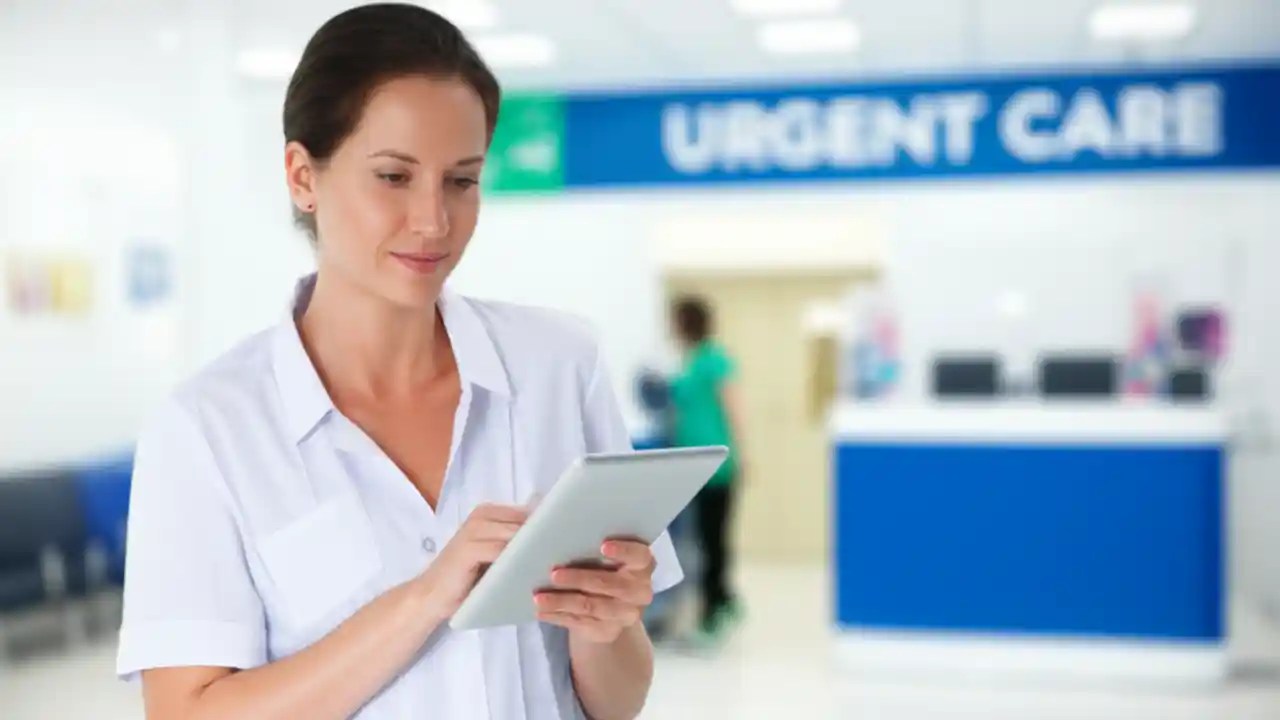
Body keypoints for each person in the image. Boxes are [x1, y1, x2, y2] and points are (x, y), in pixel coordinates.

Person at [115, 5, 681, 719]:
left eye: (461, 181)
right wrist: (424, 597)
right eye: (393, 177)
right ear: (302, 177)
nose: (433, 221)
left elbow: (620, 701)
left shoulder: (561, 367)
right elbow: (186, 712)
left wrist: (606, 626)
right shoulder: (207, 428)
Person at [669, 297, 746, 643]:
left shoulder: (714, 359)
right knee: (702, 540)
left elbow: (733, 407)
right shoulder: (690, 361)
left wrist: (742, 454)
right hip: (693, 466)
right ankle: (722, 600)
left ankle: (716, 610)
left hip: (718, 465)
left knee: (714, 541)